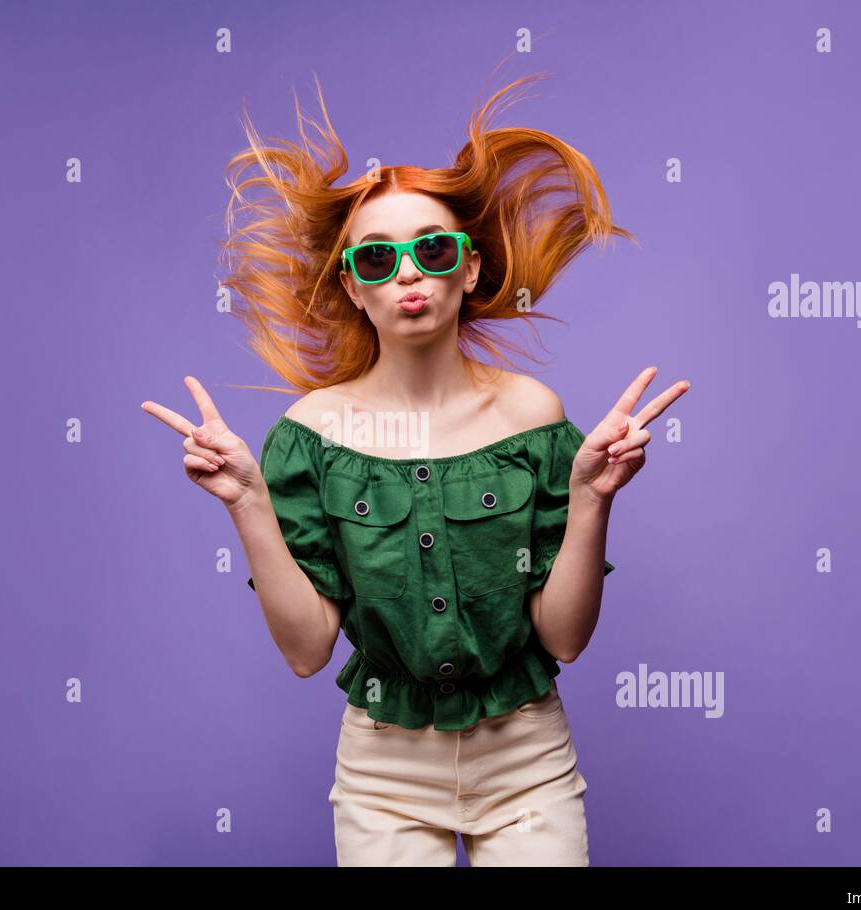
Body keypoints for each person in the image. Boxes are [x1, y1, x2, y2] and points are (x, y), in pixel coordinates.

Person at [143, 73, 689, 865]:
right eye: (376, 257)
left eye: (431, 249)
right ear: (354, 288)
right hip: (383, 772)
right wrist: (247, 503)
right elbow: (306, 653)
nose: (407, 272)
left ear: (467, 270)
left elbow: (564, 641)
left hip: (526, 759)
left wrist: (592, 498)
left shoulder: (533, 415)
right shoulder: (310, 436)